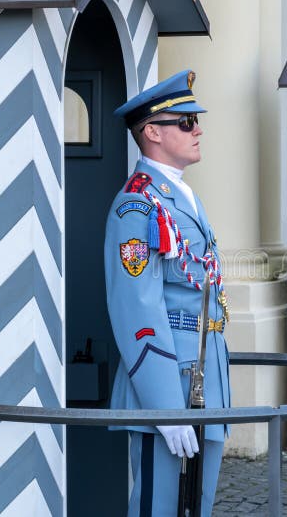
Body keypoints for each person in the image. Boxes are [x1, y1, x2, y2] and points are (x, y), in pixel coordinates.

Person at [105, 69, 230, 516]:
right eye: (185, 122)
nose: (198, 130)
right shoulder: (138, 204)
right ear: (153, 132)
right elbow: (136, 306)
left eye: (195, 120)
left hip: (205, 375)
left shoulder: (182, 196)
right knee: (160, 508)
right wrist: (164, 406)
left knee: (197, 507)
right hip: (170, 382)